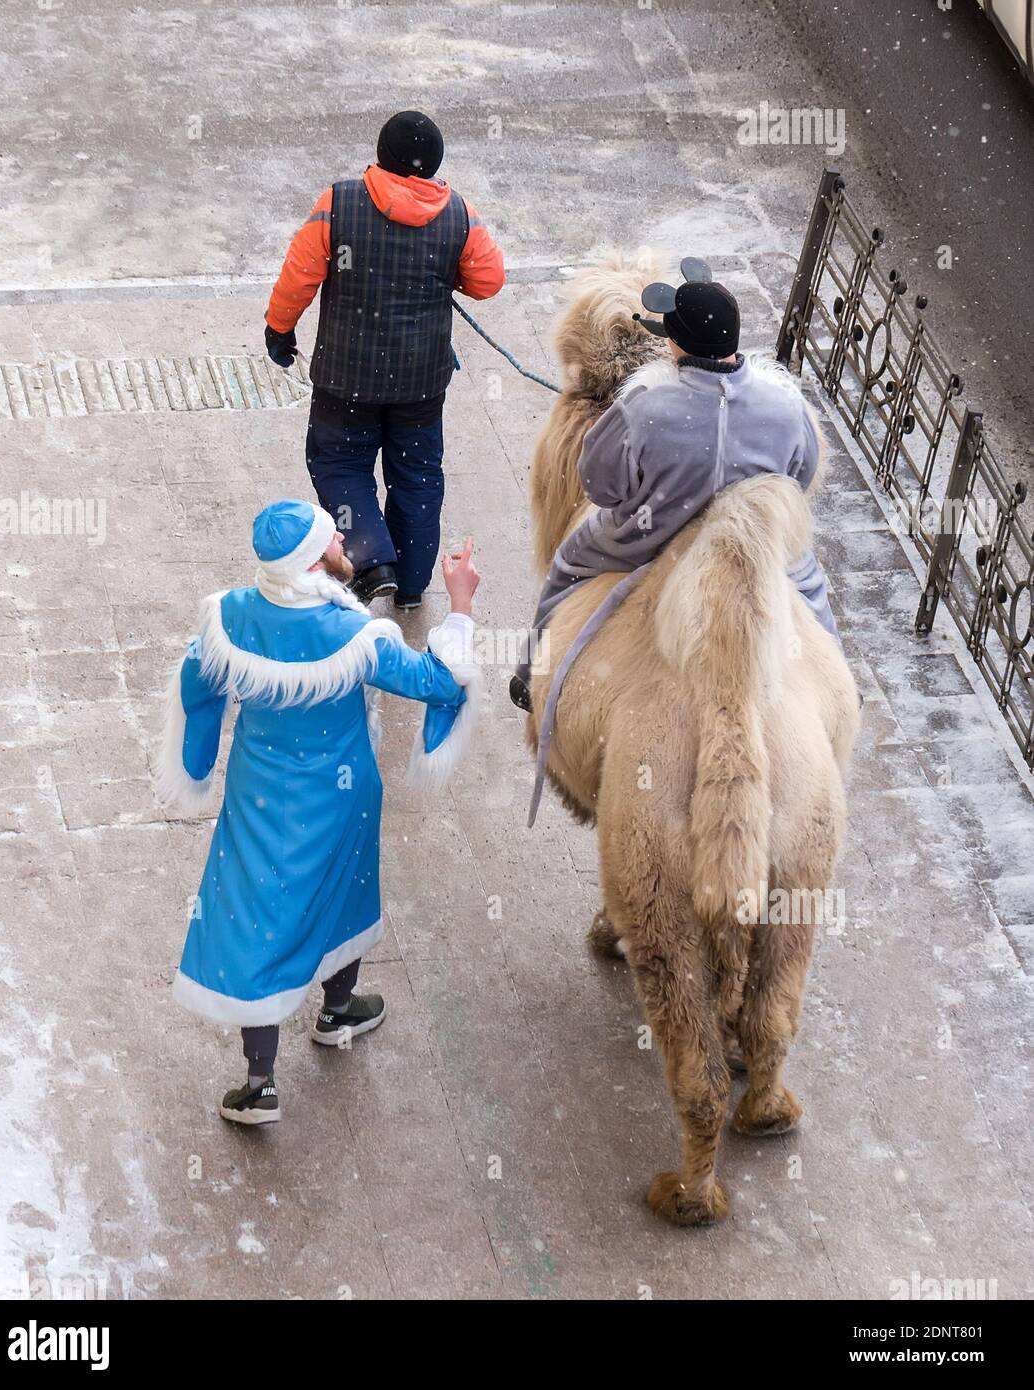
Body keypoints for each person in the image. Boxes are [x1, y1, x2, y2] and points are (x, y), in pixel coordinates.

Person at [154, 499, 481, 1125]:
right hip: (341, 798)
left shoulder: (230, 619)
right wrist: (460, 604)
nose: (345, 545)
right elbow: (440, 682)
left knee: (253, 917)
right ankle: (338, 1009)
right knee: (345, 892)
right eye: (335, 539)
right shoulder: (354, 637)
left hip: (257, 798)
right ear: (314, 561)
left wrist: (197, 760)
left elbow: (197, 684)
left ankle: (259, 1083)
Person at [510, 269, 840, 712]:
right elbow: (802, 476)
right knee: (809, 583)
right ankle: (840, 683)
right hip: (755, 540)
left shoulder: (644, 405)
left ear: (676, 344)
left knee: (569, 562)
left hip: (649, 538)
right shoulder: (785, 405)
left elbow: (600, 484)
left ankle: (532, 671)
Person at [264, 110, 505, 610]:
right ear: (435, 165)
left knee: (339, 463)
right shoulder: (457, 213)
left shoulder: (339, 203)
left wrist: (279, 328)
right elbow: (488, 280)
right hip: (419, 382)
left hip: (345, 378)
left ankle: (373, 561)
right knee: (417, 474)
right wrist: (446, 271)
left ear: (380, 155)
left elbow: (300, 276)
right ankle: (413, 584)